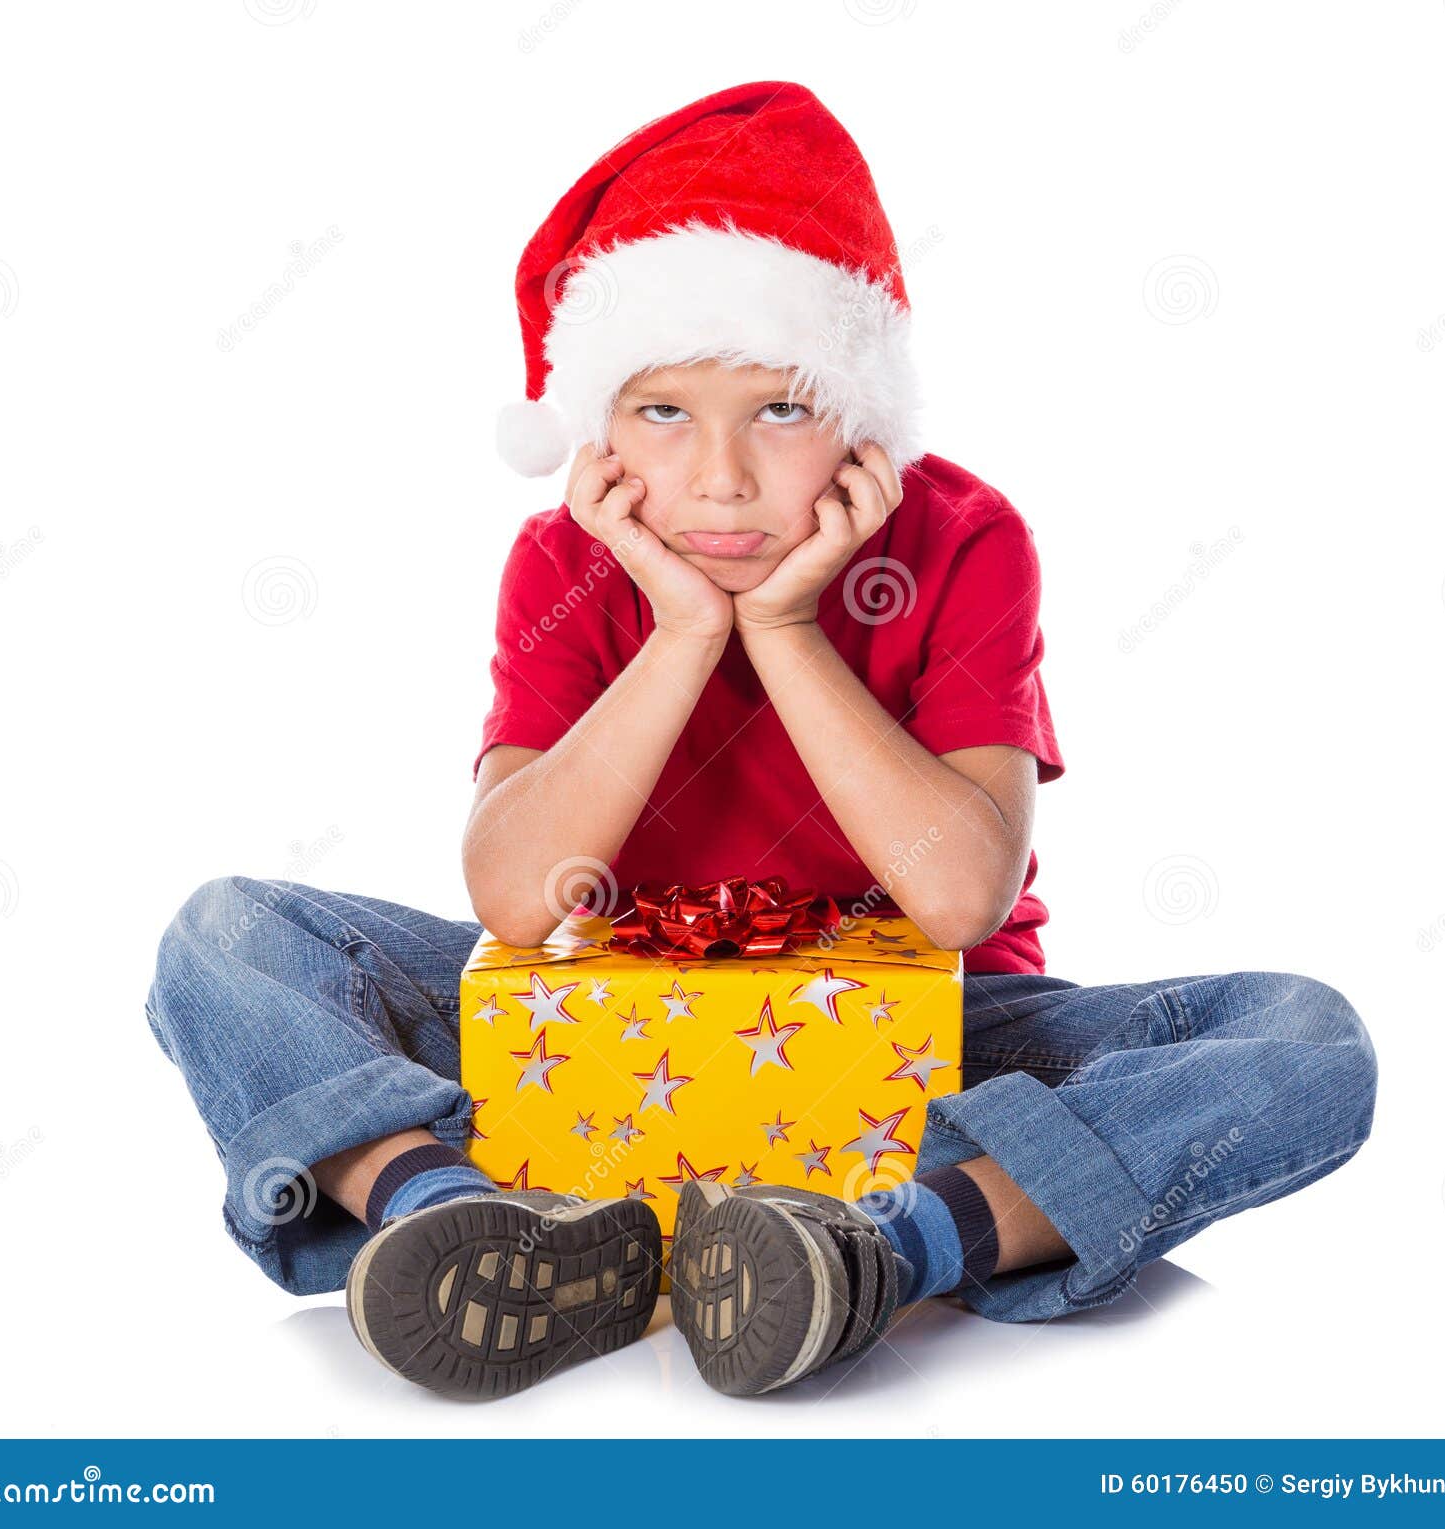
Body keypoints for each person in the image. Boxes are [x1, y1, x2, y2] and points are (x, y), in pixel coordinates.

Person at [145, 80, 1377, 1402]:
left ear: (859, 417)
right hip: (595, 1020)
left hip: (919, 1044)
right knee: (226, 934)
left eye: (780, 408)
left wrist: (784, 629)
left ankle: (879, 1244)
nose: (721, 478)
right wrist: (682, 632)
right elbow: (513, 893)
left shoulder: (963, 542)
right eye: (663, 412)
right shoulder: (568, 562)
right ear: (598, 428)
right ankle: (454, 1211)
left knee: (1305, 1040)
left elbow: (961, 897)